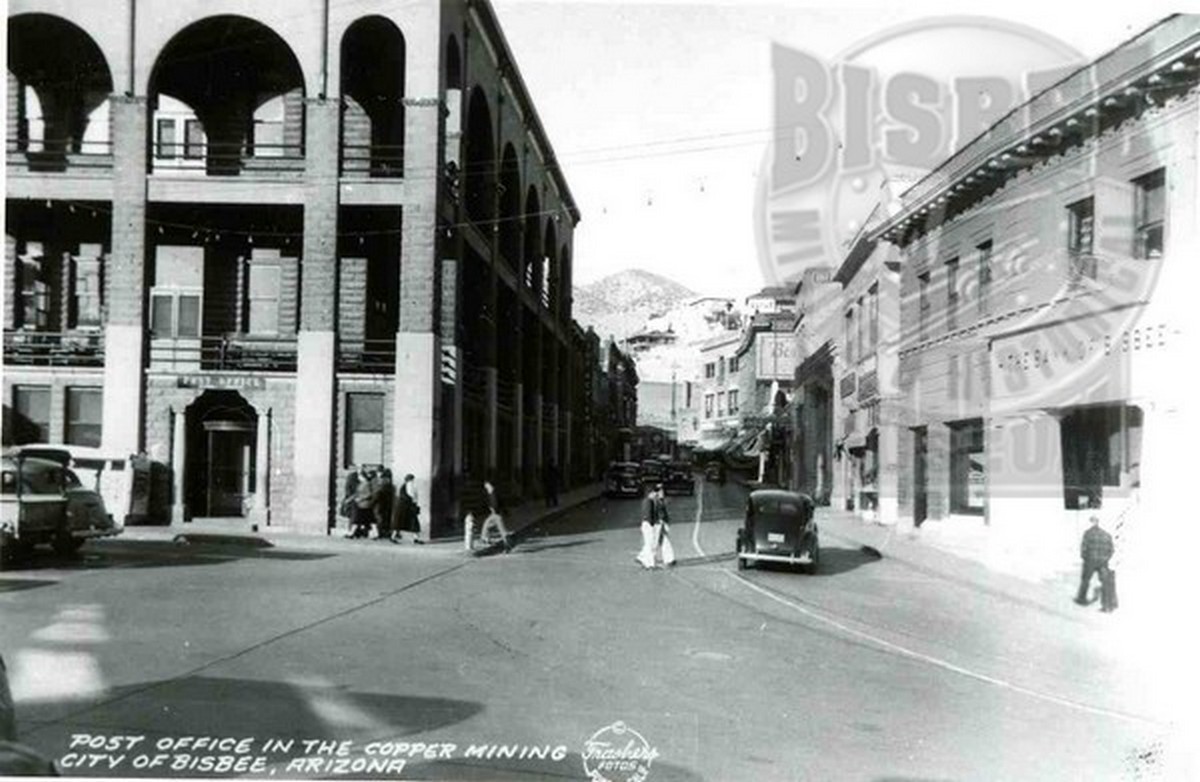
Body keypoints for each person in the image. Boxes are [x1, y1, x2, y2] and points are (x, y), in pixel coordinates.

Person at [1075, 515, 1116, 612]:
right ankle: (1106, 605)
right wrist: (1105, 558)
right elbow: (1111, 550)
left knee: (1085, 580)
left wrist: (1085, 557)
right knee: (1105, 583)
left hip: (1090, 561)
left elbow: (1084, 548)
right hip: (1103, 562)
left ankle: (1082, 598)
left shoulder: (1088, 533)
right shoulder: (1107, 535)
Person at [637, 483, 675, 569]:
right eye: (656, 492)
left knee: (654, 543)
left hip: (657, 524)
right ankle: (648, 562)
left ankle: (645, 559)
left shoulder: (657, 501)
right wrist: (654, 524)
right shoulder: (649, 501)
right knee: (651, 544)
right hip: (652, 525)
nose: (657, 493)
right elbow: (648, 515)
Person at [477, 479, 513, 552]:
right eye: (485, 486)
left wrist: (494, 509)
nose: (486, 487)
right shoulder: (492, 493)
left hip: (496, 514)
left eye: (487, 486)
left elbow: (495, 503)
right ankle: (486, 538)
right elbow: (501, 503)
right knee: (490, 525)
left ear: (491, 485)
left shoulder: (493, 493)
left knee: (487, 524)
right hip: (495, 514)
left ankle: (484, 538)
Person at [346, 465, 376, 539]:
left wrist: (360, 499)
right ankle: (375, 534)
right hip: (362, 505)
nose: (359, 478)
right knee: (368, 520)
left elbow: (369, 494)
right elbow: (357, 493)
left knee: (359, 520)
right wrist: (350, 499)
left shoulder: (366, 484)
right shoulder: (362, 484)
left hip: (364, 505)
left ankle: (351, 533)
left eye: (360, 477)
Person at [394, 474, 420, 543]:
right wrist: (415, 502)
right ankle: (415, 538)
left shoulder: (404, 485)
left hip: (403, 507)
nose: (413, 481)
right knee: (413, 522)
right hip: (407, 506)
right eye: (412, 479)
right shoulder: (409, 485)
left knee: (400, 522)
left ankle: (393, 537)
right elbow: (412, 495)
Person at [373, 468, 396, 542]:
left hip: (381, 505)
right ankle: (386, 533)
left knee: (380, 519)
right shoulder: (392, 486)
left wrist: (373, 502)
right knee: (386, 519)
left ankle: (380, 533)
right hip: (388, 505)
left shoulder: (383, 485)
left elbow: (378, 495)